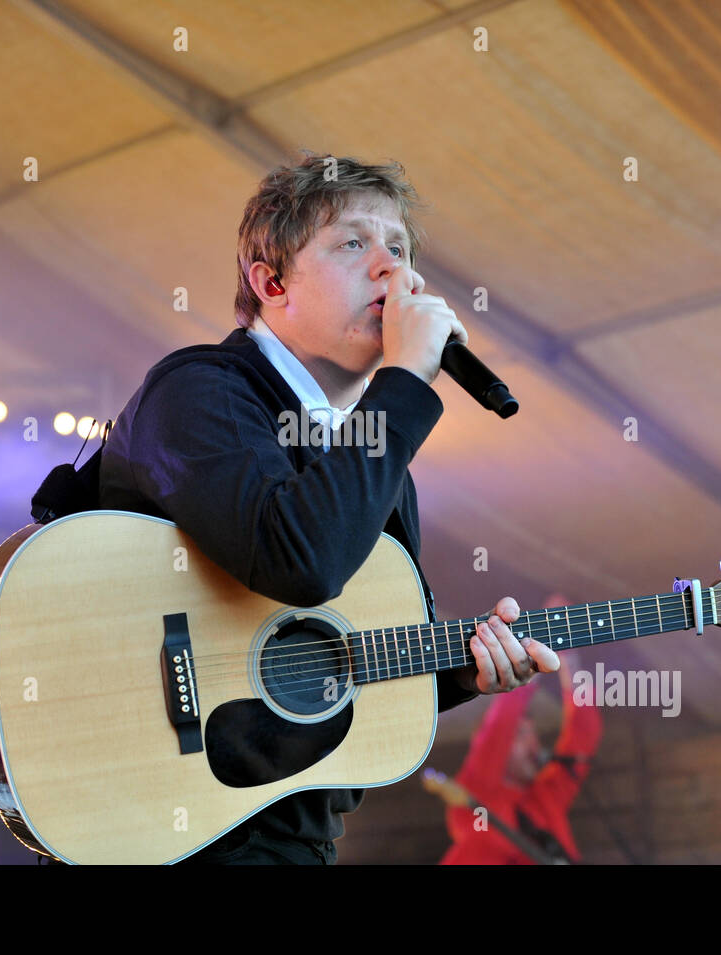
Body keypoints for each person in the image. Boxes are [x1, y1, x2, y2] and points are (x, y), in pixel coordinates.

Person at [99, 152, 559, 864]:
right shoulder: (199, 393)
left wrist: (463, 668)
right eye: (354, 244)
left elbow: (344, 657)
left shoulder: (373, 456)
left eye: (399, 248)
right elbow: (300, 559)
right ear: (270, 281)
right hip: (162, 830)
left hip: (295, 839)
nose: (393, 270)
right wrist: (406, 376)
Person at [440, 634, 603, 865]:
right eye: (520, 735)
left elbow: (583, 735)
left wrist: (569, 660)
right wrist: (530, 660)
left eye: (533, 734)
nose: (533, 744)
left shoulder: (545, 797)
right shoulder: (477, 793)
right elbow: (501, 724)